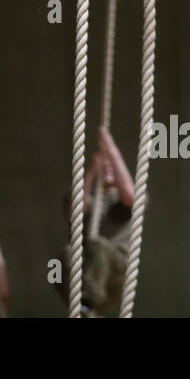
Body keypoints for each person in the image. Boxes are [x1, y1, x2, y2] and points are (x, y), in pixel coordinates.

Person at [55, 126, 135, 316]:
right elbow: (73, 214)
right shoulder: (89, 200)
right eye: (104, 166)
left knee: (97, 246)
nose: (108, 168)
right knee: (58, 262)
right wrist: (92, 169)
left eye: (112, 167)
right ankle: (81, 306)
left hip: (116, 275)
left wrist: (112, 152)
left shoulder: (122, 199)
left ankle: (86, 304)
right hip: (88, 276)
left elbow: (131, 196)